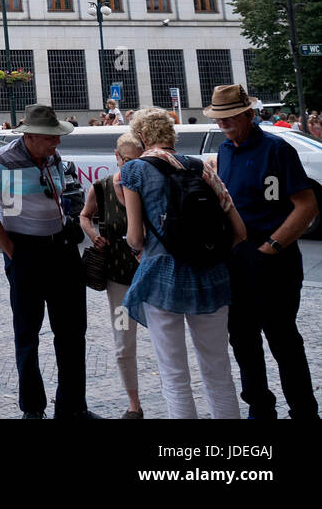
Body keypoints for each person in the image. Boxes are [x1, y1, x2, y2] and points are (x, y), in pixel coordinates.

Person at [120, 107, 245, 419]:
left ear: (141, 137)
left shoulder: (134, 170)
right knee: (218, 370)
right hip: (211, 277)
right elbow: (240, 232)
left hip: (162, 278)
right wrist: (206, 253)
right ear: (171, 134)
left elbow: (135, 237)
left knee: (174, 374)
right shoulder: (201, 167)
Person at [0, 104, 97, 420]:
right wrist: (13, 252)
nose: (57, 143)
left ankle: (72, 406)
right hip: (27, 253)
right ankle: (33, 408)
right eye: (50, 138)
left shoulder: (51, 157)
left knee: (72, 332)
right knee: (27, 334)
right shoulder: (3, 162)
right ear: (30, 136)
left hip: (63, 252)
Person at [208, 84, 320, 419]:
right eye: (219, 117)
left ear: (248, 114)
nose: (223, 123)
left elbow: (307, 204)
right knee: (242, 339)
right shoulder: (225, 151)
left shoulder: (277, 149)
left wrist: (272, 246)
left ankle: (304, 411)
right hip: (237, 261)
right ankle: (260, 405)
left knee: (283, 339)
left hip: (275, 261)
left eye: (229, 117)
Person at [79, 133, 145, 419]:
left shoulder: (148, 185)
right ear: (116, 157)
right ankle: (134, 405)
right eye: (127, 160)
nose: (132, 166)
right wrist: (93, 235)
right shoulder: (102, 187)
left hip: (151, 280)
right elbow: (85, 216)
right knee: (123, 343)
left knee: (168, 341)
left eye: (138, 160)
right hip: (118, 281)